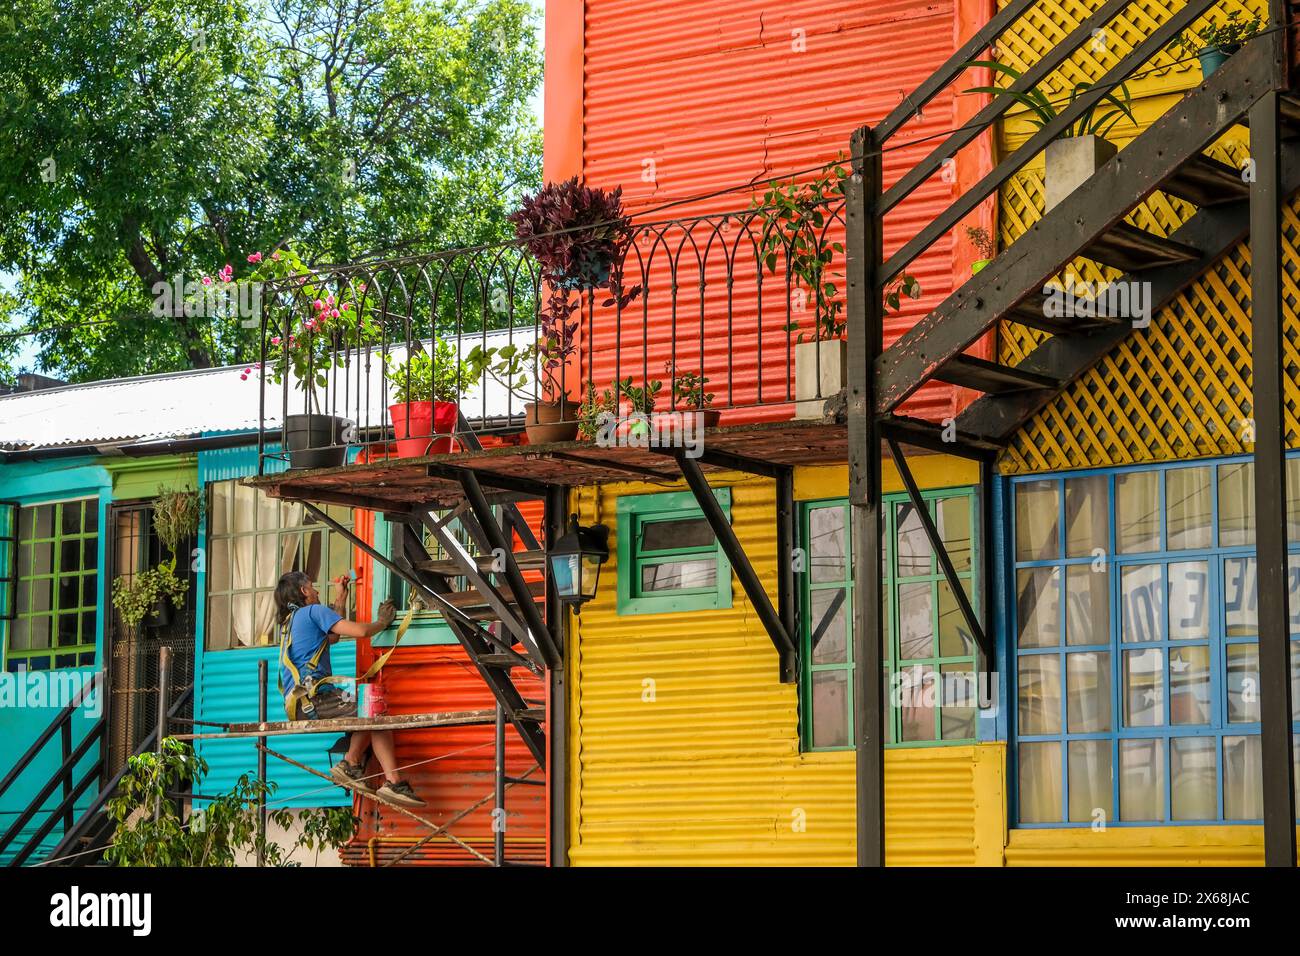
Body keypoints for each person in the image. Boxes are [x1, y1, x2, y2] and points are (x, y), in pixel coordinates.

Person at [274, 570, 426, 808]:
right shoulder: (313, 611)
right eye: (312, 586)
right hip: (317, 699)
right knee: (375, 711)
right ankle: (384, 777)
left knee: (368, 707)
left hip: (302, 703)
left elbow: (332, 638)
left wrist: (341, 599)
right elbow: (362, 632)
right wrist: (383, 622)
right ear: (304, 592)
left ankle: (352, 763)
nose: (316, 591)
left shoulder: (292, 621)